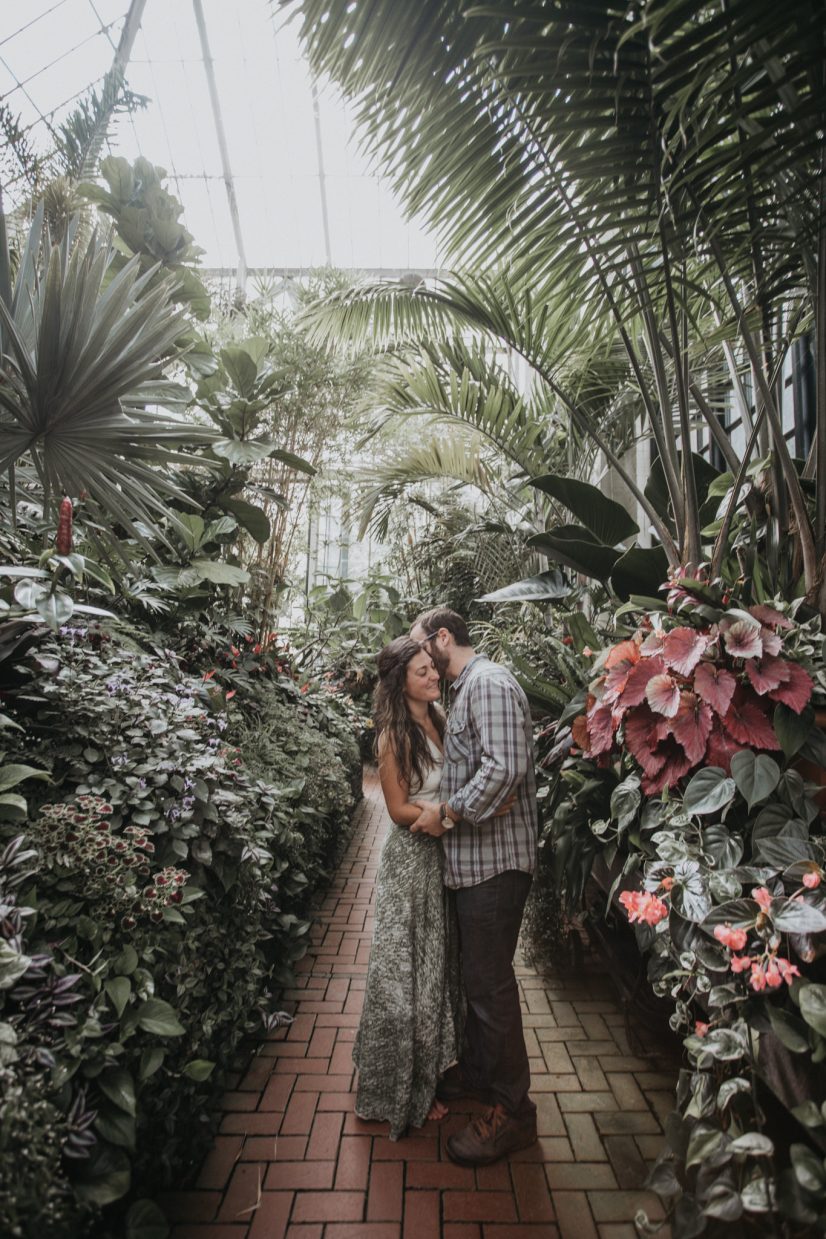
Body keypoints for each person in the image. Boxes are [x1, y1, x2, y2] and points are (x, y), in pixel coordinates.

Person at [408, 606, 538, 1167]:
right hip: (476, 865)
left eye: (420, 645)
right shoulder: (465, 691)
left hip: (495, 865)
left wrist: (451, 813)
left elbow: (505, 769)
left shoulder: (487, 684)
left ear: (443, 637)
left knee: (489, 986)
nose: (419, 657)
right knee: (478, 980)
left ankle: (513, 1111)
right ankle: (484, 1073)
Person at [352, 636, 462, 1138]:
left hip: (437, 856)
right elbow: (397, 811)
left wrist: (446, 818)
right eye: (422, 672)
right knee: (403, 973)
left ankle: (431, 1071)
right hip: (409, 863)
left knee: (432, 969)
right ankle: (398, 1084)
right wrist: (437, 817)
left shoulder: (437, 720)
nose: (433, 676)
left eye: (432, 669)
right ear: (402, 682)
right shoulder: (393, 735)